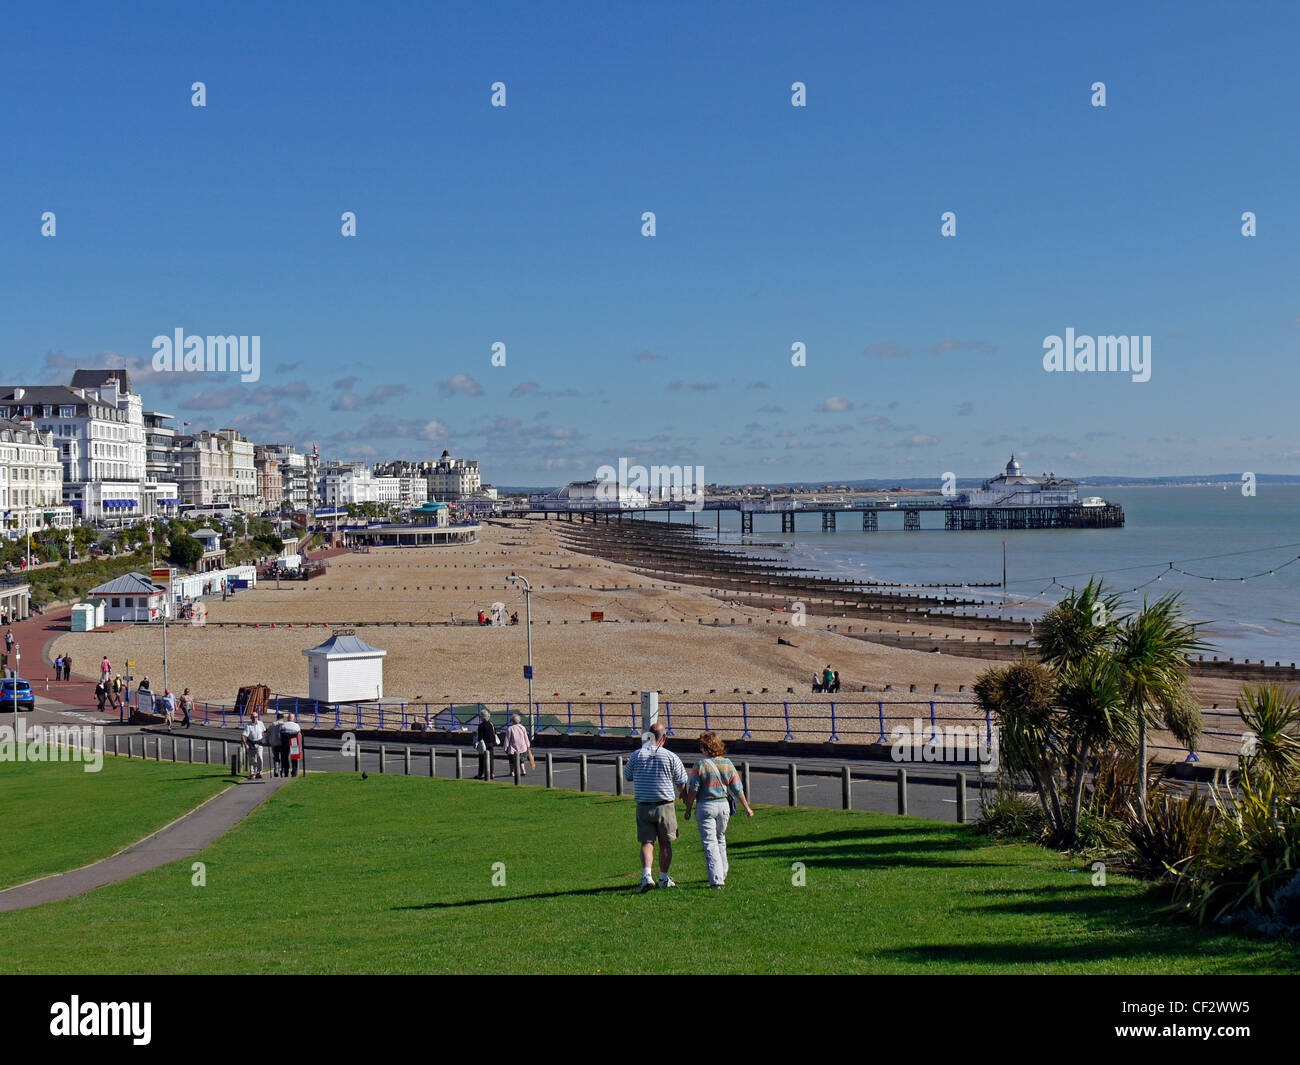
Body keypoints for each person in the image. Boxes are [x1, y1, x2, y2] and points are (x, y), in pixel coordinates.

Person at [682, 732, 754, 890]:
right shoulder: (728, 763)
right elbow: (737, 788)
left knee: (710, 842)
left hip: (706, 805)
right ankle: (723, 871)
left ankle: (716, 879)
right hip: (723, 805)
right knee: (721, 839)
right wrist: (747, 807)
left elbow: (693, 789)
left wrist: (688, 808)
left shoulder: (699, 765)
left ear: (705, 747)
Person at [622, 723, 688, 893]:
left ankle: (646, 876)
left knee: (647, 842)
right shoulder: (671, 756)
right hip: (664, 805)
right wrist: (688, 802)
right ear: (664, 738)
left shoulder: (637, 755)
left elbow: (628, 776)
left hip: (643, 805)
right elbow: (681, 783)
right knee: (665, 843)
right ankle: (664, 878)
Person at [474, 710, 498, 780]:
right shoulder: (491, 724)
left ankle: (480, 774)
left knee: (481, 759)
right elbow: (494, 732)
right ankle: (491, 774)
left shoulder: (481, 726)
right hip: (491, 743)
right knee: (490, 759)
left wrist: (476, 742)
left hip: (483, 744)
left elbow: (480, 737)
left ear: (481, 717)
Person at [242, 710, 266, 780]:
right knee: (252, 759)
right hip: (251, 743)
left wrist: (262, 738)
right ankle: (252, 773)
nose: (255, 718)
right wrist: (245, 744)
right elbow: (243, 736)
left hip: (259, 743)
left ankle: (259, 772)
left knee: (260, 757)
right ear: (251, 718)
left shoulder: (261, 723)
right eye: (253, 717)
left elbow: (263, 731)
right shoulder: (248, 726)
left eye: (256, 717)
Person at [281, 712, 303, 777]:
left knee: (285, 758)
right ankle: (294, 772)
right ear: (294, 719)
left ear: (287, 718)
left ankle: (286, 771)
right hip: (294, 743)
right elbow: (299, 734)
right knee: (294, 758)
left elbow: (280, 733)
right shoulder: (296, 726)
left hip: (285, 743)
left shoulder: (283, 725)